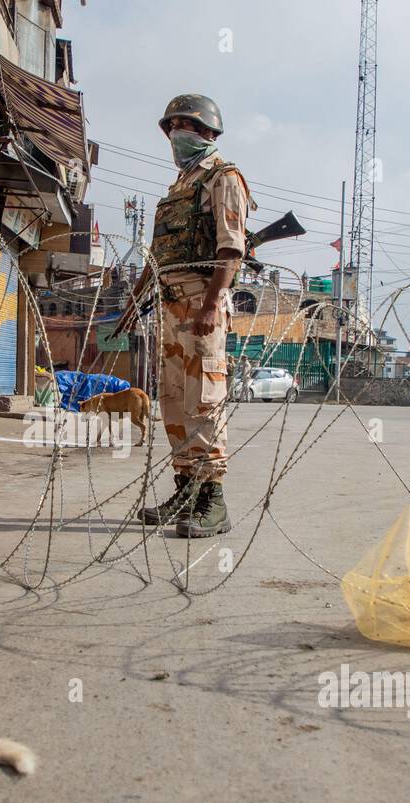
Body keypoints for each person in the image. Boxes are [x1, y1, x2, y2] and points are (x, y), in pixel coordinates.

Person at [119, 94, 255, 537]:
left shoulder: (224, 178)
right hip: (169, 303)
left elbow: (230, 247)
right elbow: (160, 255)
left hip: (201, 302)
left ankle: (213, 500)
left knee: (203, 400)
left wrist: (213, 304)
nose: (178, 134)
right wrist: (135, 298)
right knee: (175, 402)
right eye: (173, 126)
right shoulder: (179, 187)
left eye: (188, 126)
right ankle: (187, 488)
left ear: (210, 133)